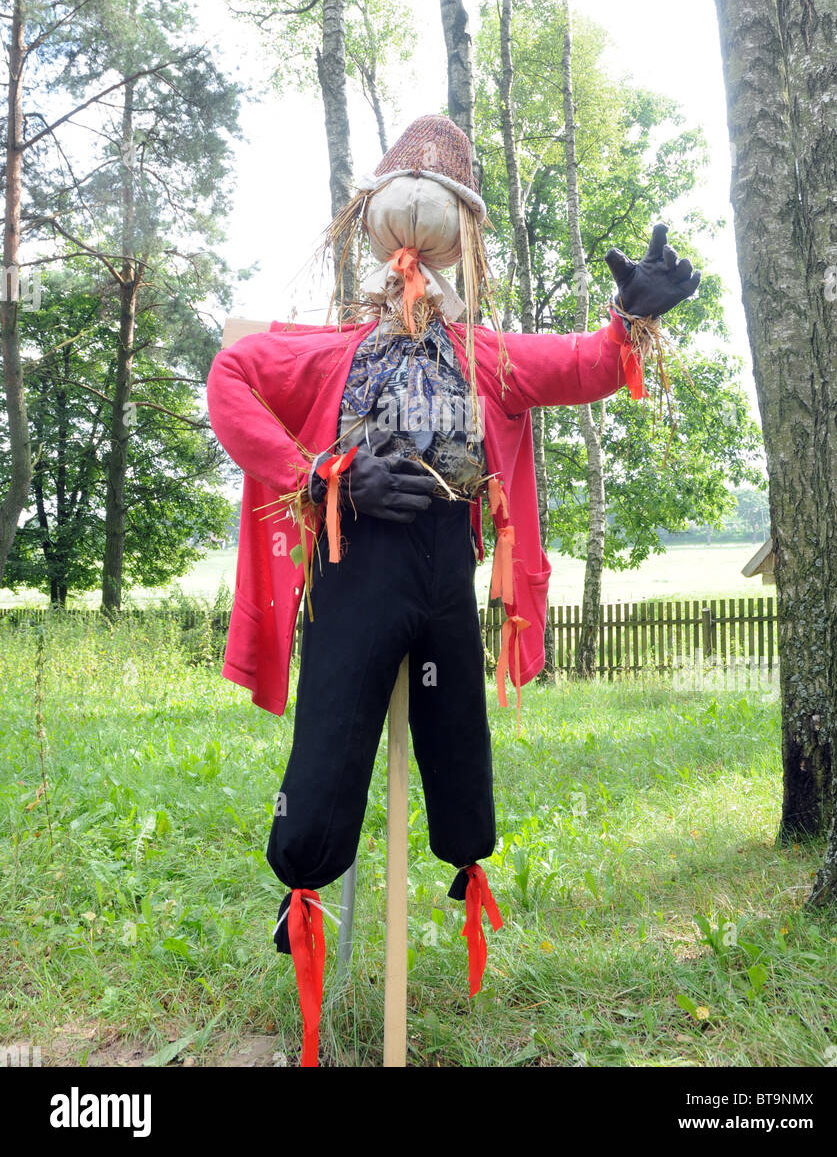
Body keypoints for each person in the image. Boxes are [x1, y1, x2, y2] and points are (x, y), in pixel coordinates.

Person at [206, 114, 700, 1065]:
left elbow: (586, 363)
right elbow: (231, 376)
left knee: (457, 747)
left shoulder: (490, 360)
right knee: (327, 747)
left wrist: (631, 317)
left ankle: (465, 863)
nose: (416, 270)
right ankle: (305, 897)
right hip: (355, 577)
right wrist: (314, 472)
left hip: (443, 586)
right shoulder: (325, 352)